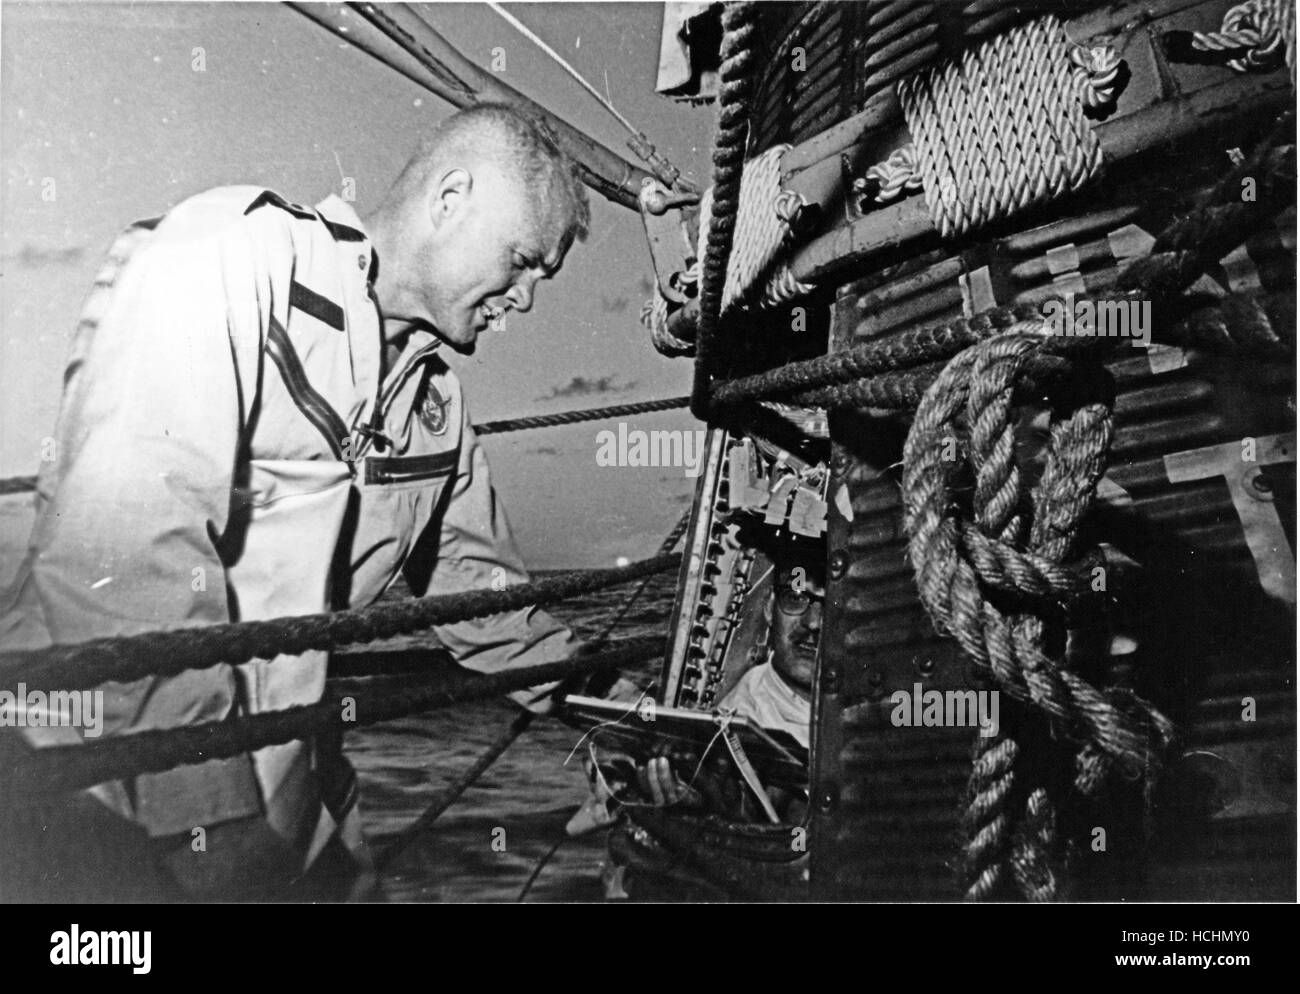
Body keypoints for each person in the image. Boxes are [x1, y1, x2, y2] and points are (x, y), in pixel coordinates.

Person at [0, 103, 590, 899]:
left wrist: (622, 713)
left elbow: (485, 603)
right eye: (523, 261)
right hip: (95, 780)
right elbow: (126, 549)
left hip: (289, 771)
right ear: (451, 198)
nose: (525, 298)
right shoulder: (235, 255)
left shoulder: (435, 409)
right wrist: (207, 823)